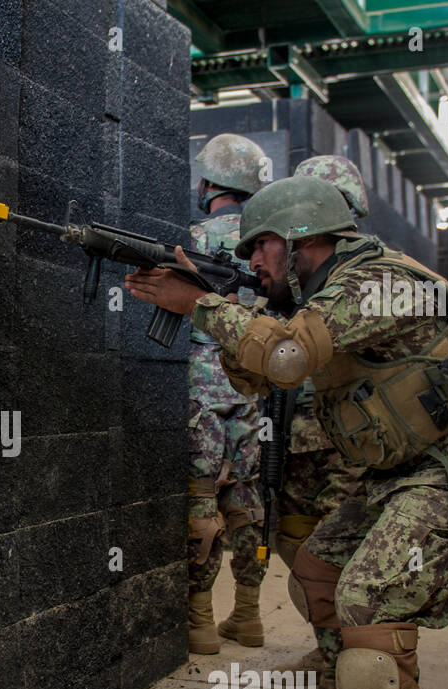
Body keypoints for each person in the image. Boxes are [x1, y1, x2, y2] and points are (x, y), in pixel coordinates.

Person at [126, 176, 448, 689]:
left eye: (260, 247)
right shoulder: (326, 294)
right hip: (404, 469)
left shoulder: (375, 283)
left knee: (370, 597)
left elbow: (285, 357)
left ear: (302, 238)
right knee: (317, 569)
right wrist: (227, 307)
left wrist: (202, 305)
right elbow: (263, 368)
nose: (254, 262)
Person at [261, 156, 371, 689]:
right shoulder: (305, 281)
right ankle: (330, 657)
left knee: (348, 568)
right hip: (299, 436)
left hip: (346, 449)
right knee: (304, 554)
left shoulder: (361, 279)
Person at [184, 134, 271, 653]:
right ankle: (249, 615)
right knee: (246, 501)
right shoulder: (268, 243)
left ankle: (199, 620)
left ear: (212, 181)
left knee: (200, 502)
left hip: (200, 388)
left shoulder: (194, 238)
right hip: (249, 387)